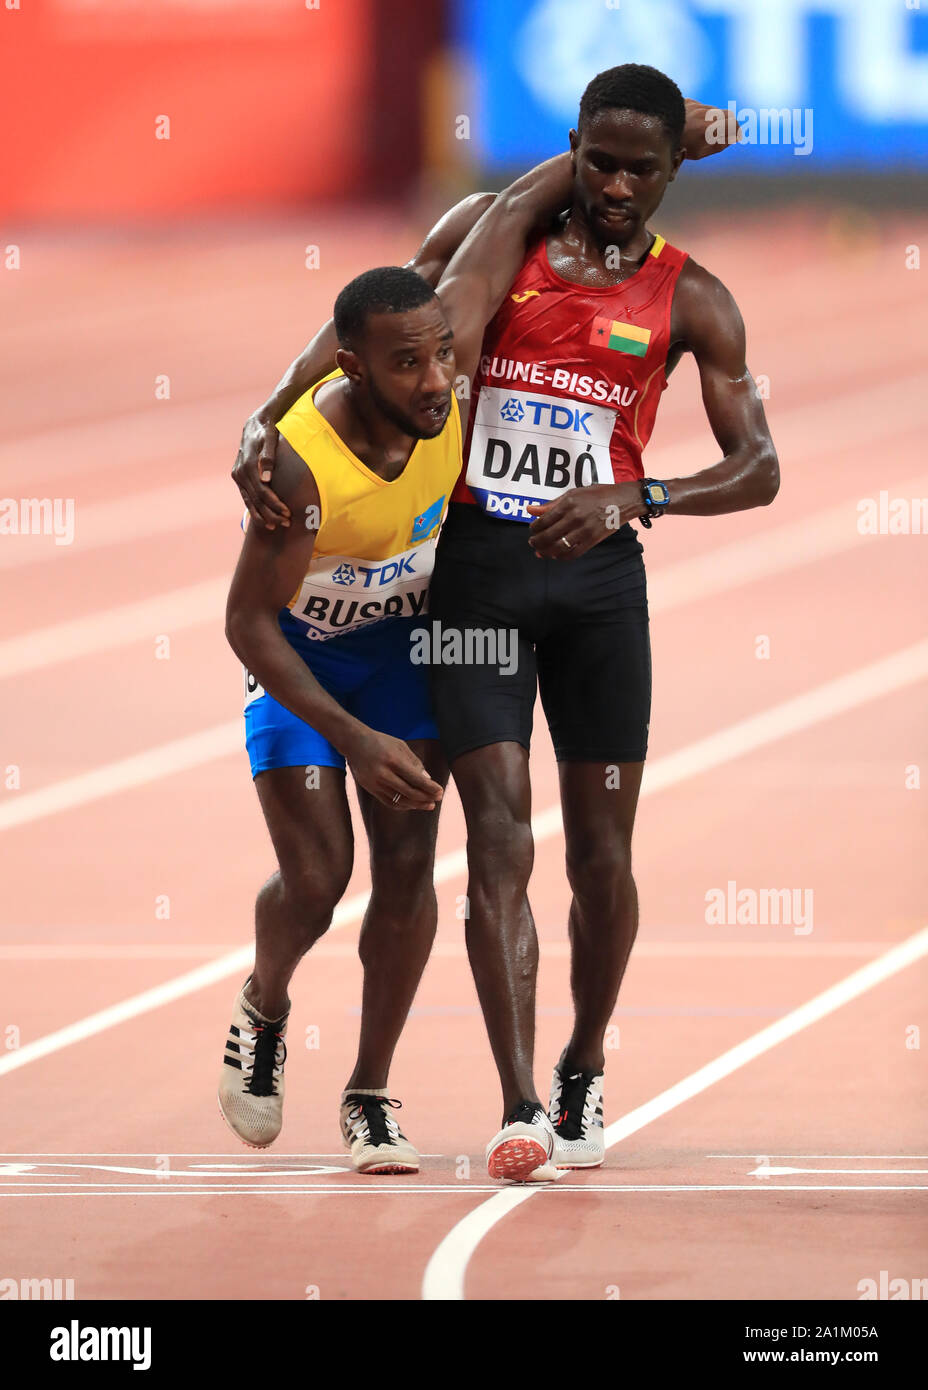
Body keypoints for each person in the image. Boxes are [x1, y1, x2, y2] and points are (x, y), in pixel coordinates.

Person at [233, 67, 770, 1182]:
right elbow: (362, 328)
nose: (617, 187)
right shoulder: (489, 242)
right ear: (570, 150)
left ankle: (579, 1065)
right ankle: (518, 1100)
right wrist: (267, 412)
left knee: (603, 853)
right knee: (488, 838)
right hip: (475, 585)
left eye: (642, 167)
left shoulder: (696, 298)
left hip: (598, 592)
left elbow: (760, 467)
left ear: (677, 172)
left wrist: (638, 495)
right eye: (599, 161)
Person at [220, 154, 576, 1176]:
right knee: (319, 873)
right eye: (407, 366)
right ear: (348, 366)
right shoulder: (296, 467)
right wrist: (353, 736)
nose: (435, 384)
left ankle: (369, 1092)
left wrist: (652, 135)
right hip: (301, 654)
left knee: (410, 864)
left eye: (441, 359)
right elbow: (247, 625)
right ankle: (266, 1001)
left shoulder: (442, 356)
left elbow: (497, 209)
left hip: (404, 647)